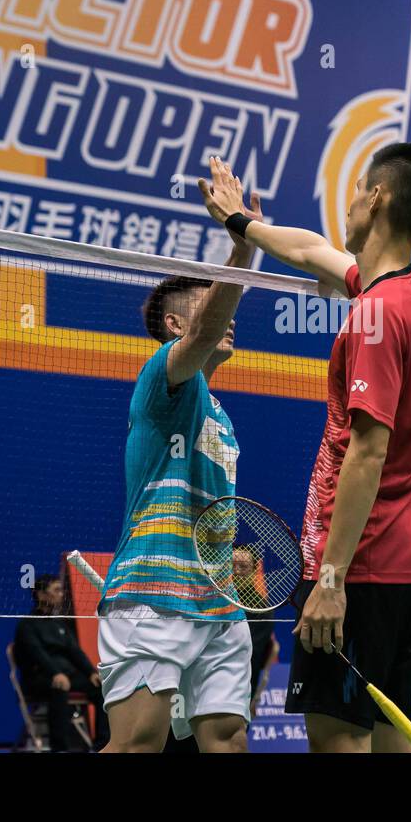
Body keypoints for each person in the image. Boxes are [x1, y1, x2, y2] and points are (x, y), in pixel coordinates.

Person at [199, 146, 411, 753]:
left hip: (356, 566)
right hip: (405, 567)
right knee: (389, 739)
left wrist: (331, 579)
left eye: (358, 186)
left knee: (339, 740)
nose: (350, 198)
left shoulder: (379, 313)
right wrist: (242, 224)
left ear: (378, 199)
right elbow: (312, 250)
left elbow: (367, 451)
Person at [95, 159, 262, 753]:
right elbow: (201, 333)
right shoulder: (164, 382)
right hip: (151, 592)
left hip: (217, 600)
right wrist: (242, 246)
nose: (229, 318)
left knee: (226, 740)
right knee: (138, 742)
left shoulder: (222, 418)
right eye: (211, 305)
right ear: (174, 324)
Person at [13, 575, 109, 751]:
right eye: (56, 590)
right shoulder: (27, 625)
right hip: (39, 678)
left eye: (61, 590)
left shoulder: (60, 623)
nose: (61, 594)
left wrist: (91, 672)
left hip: (66, 675)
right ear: (41, 595)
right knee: (60, 687)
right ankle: (61, 748)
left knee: (100, 687)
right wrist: (55, 673)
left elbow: (75, 652)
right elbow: (38, 654)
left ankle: (102, 745)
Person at [232, 547, 280, 718]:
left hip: (241, 685)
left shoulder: (260, 608)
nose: (236, 571)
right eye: (232, 566)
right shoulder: (215, 599)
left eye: (243, 567)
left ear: (254, 571)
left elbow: (249, 653)